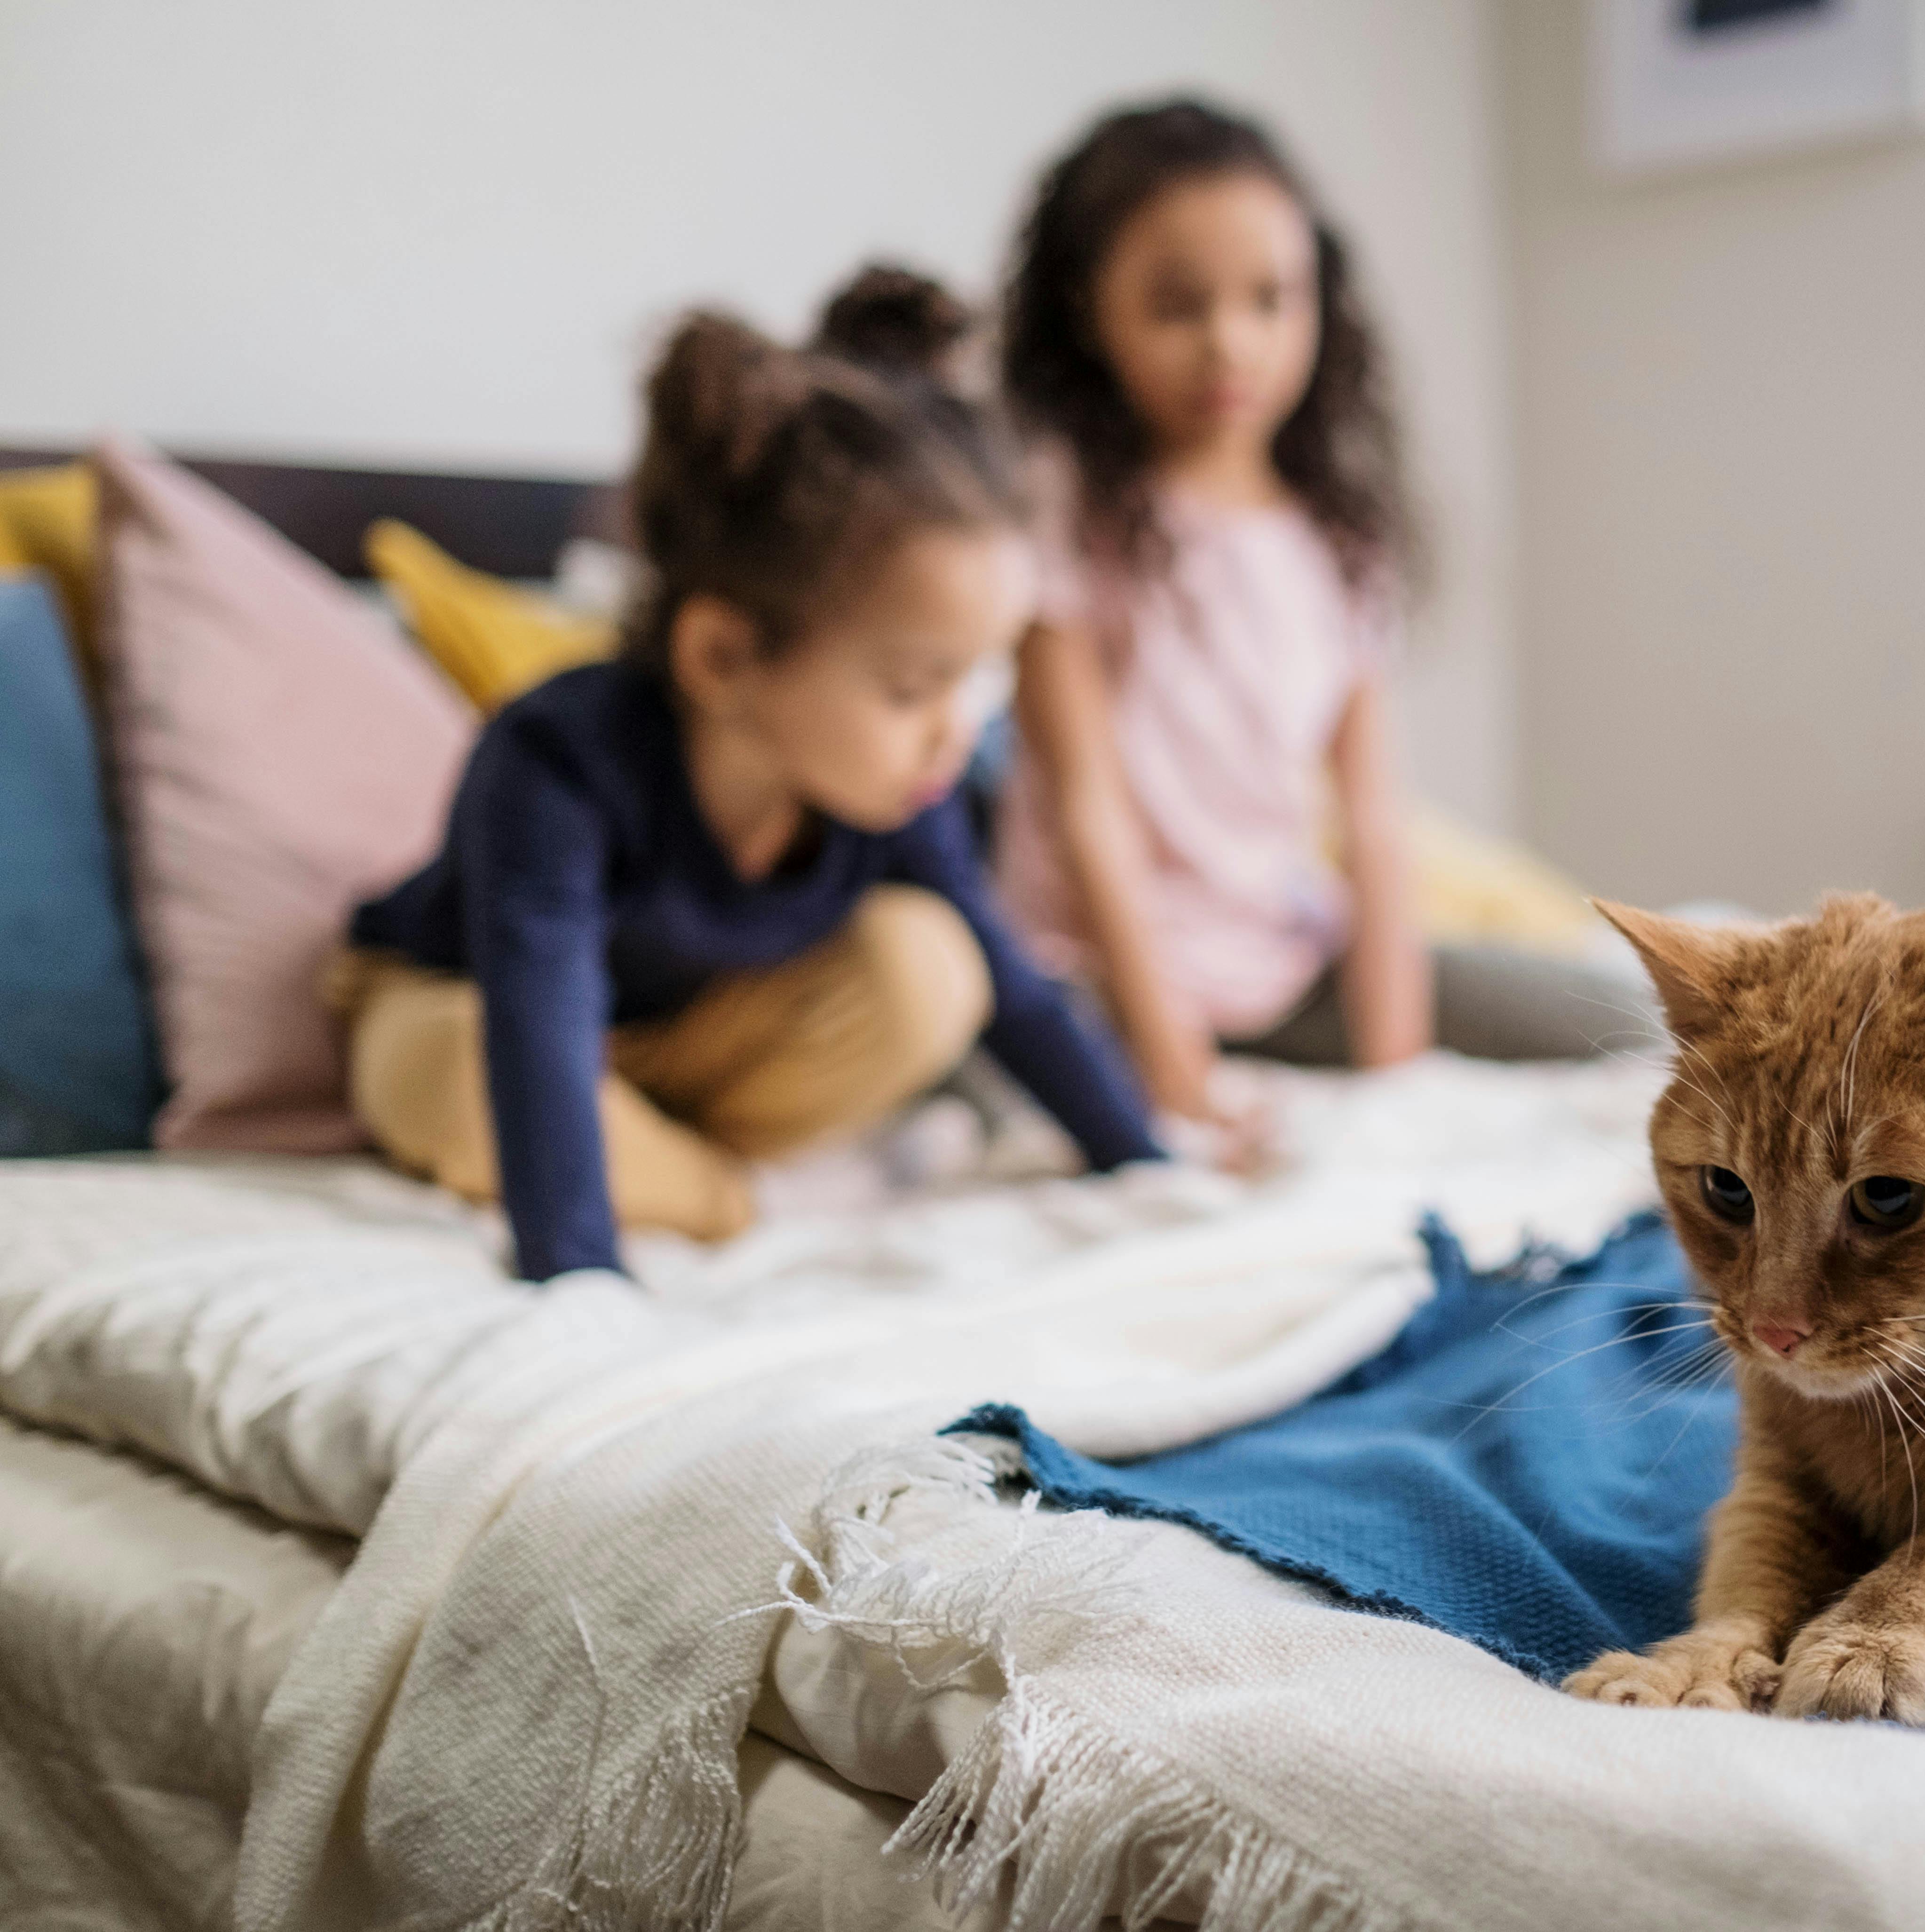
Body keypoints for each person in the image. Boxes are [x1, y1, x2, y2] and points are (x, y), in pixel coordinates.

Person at [338, 277, 1159, 1282]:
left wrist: (1146, 1161)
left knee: (934, 964)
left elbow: (1017, 993)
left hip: (700, 1044)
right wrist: (579, 1272)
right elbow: (537, 1013)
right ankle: (741, 1199)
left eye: (979, 677)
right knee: (452, 1078)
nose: (961, 728)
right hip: (490, 1010)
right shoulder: (557, 759)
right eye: (914, 685)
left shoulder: (896, 783)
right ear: (724, 656)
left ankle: (672, 1171)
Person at [988, 98, 1650, 1155]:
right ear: (1087, 309)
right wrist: (1175, 1074)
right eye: (1177, 305)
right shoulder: (1065, 507)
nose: (1229, 343)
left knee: (1640, 1025)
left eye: (1269, 301)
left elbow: (1373, 826)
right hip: (1104, 984)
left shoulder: (1340, 540)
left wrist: (1398, 1074)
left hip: (1288, 971)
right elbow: (1086, 812)